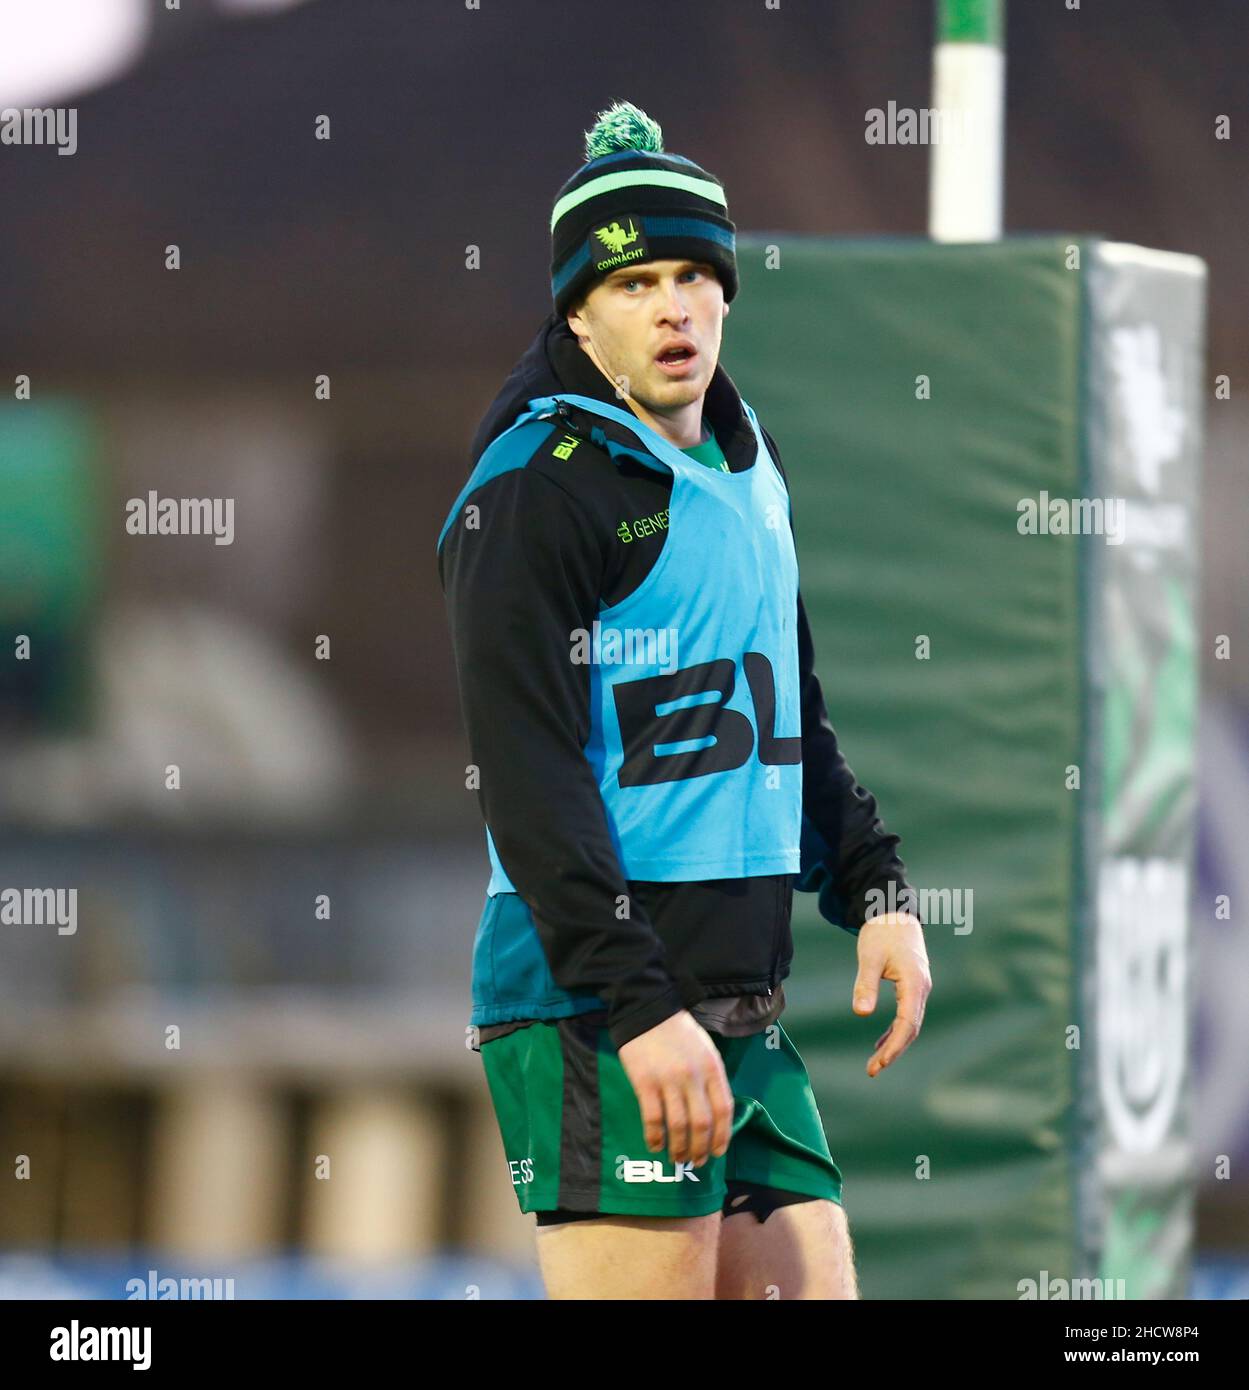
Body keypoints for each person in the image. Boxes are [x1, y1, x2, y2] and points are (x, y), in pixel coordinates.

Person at [436, 100, 932, 1300]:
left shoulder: (744, 457)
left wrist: (870, 881)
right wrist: (638, 1004)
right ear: (577, 311)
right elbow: (528, 776)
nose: (670, 306)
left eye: (693, 275)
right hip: (602, 1004)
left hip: (738, 1004)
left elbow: (784, 708)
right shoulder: (537, 488)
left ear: (726, 292)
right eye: (633, 282)